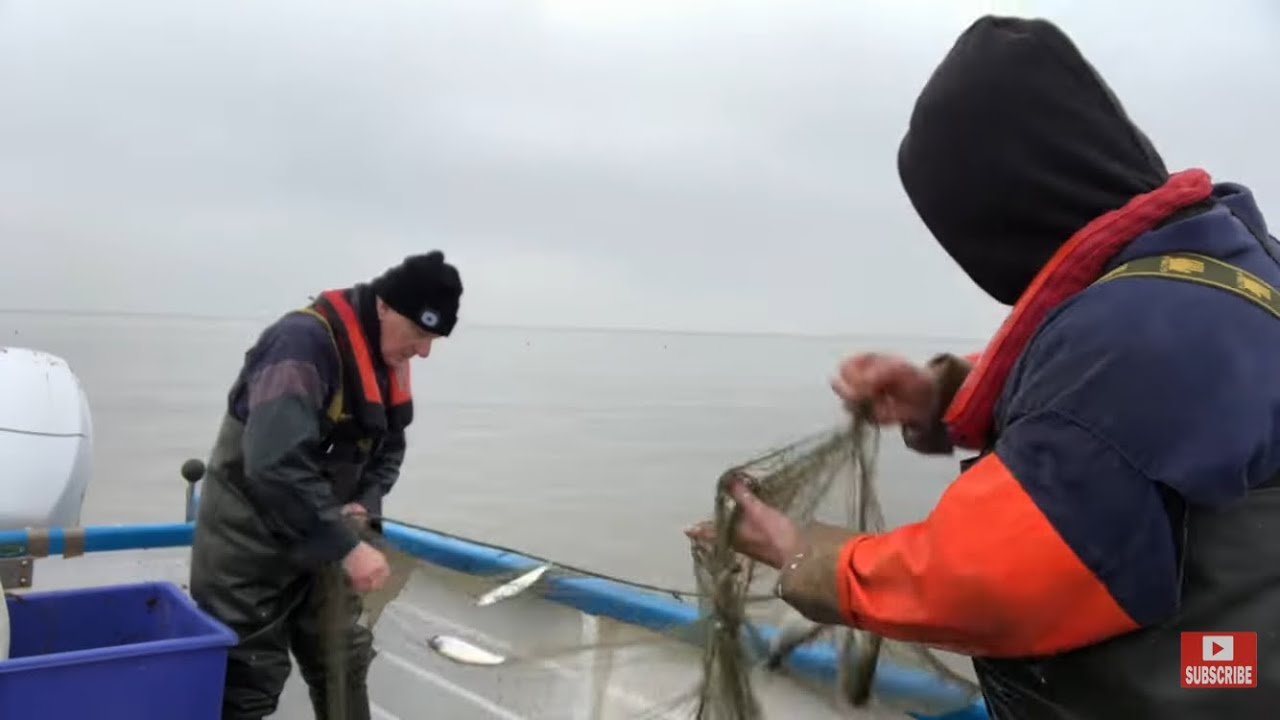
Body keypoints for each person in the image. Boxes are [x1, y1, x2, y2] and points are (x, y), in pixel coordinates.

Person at [688, 16, 1280, 719]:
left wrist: (801, 556)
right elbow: (1137, 420)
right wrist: (944, 396)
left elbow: (993, 584)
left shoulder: (1133, 336)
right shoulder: (1225, 268)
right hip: (1242, 662)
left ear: (1003, 209)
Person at [190, 251, 463, 720]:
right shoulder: (300, 346)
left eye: (433, 339)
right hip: (249, 544)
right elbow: (273, 463)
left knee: (343, 657)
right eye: (419, 333)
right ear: (383, 306)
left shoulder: (388, 356)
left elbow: (389, 447)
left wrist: (364, 501)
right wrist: (349, 548)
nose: (423, 351)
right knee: (247, 680)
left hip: (323, 538)